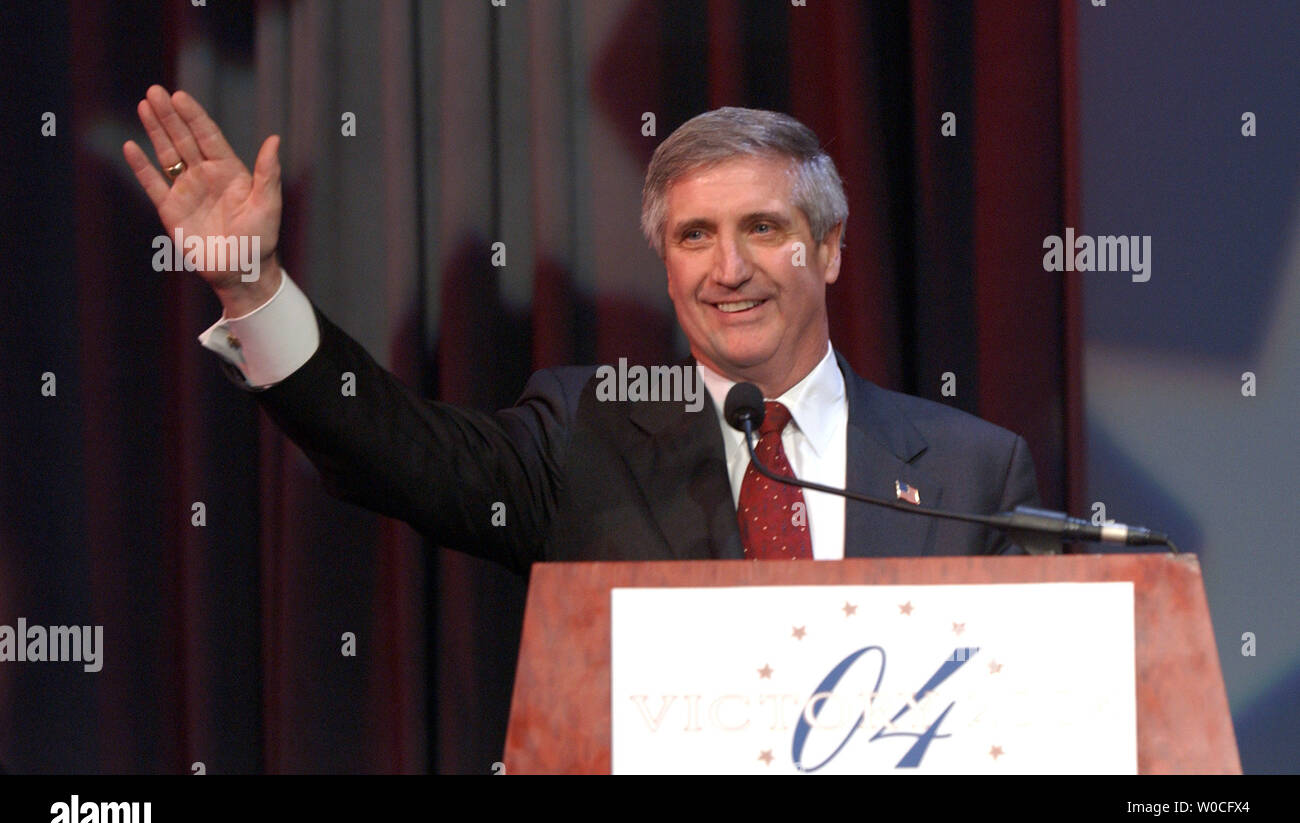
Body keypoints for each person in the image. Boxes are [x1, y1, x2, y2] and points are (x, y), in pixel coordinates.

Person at [124, 87, 1040, 575]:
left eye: (762, 228)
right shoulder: (584, 430)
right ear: (667, 263)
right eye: (694, 237)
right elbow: (393, 448)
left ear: (829, 250)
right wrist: (254, 284)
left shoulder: (973, 469)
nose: (729, 269)